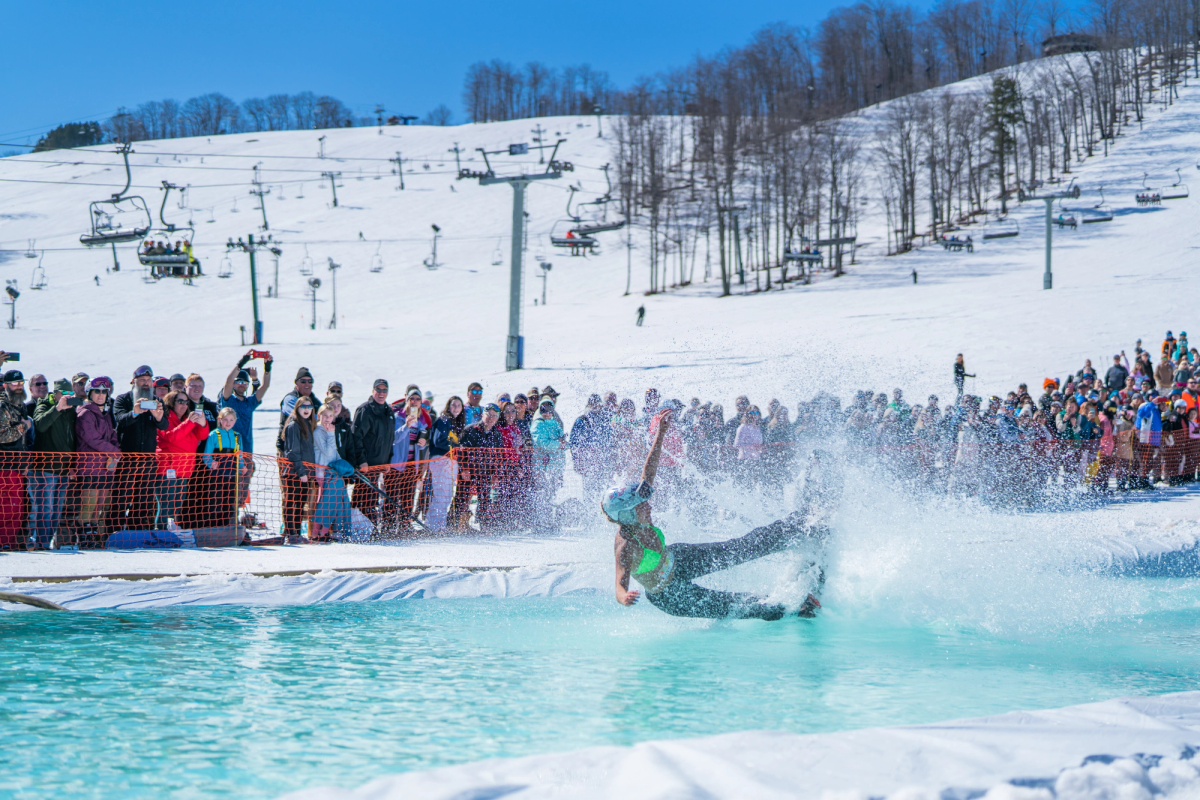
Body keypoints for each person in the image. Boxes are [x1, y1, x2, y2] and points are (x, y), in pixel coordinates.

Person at [608, 410, 836, 620]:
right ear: (627, 515)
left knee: (741, 548)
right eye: (640, 506)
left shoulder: (637, 514)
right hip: (670, 595)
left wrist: (661, 434)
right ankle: (797, 607)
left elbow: (649, 470)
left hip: (680, 559)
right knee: (738, 607)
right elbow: (620, 583)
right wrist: (624, 597)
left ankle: (797, 528)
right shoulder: (626, 546)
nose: (648, 506)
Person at [112, 365, 166, 531]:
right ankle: (112, 532)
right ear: (133, 381)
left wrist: (158, 417)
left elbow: (164, 425)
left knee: (143, 500)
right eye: (142, 380)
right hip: (127, 460)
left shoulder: (157, 402)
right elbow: (119, 420)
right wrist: (135, 413)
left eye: (148, 380)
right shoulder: (123, 399)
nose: (145, 383)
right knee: (120, 499)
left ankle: (137, 533)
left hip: (148, 460)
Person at [74, 377, 121, 548]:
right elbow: (92, 439)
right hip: (90, 466)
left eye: (104, 392)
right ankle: (83, 539)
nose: (101, 395)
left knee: (100, 506)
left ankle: (93, 536)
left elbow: (112, 435)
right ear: (89, 393)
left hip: (106, 467)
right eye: (97, 392)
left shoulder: (106, 414)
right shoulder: (85, 413)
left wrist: (115, 453)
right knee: (89, 504)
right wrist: (115, 452)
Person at [29, 379, 75, 549]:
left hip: (63, 468)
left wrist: (72, 464)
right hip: (45, 468)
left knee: (56, 511)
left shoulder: (71, 411)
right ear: (55, 394)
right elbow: (40, 425)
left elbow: (73, 439)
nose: (67, 397)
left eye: (70, 394)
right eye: (63, 393)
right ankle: (41, 543)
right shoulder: (43, 405)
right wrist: (57, 409)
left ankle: (47, 542)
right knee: (44, 509)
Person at [155, 391, 208, 529]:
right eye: (180, 401)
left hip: (184, 469)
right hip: (167, 468)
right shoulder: (164, 418)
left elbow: (201, 436)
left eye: (186, 402)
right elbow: (172, 437)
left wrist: (202, 424)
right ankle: (159, 531)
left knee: (177, 503)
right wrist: (189, 422)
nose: (184, 405)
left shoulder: (187, 419)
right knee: (165, 504)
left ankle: (171, 530)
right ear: (172, 402)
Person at [351, 379, 396, 523]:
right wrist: (362, 460)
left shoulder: (389, 412)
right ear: (373, 391)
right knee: (363, 498)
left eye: (384, 390)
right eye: (378, 390)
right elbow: (356, 437)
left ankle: (370, 528)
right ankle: (357, 527)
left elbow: (390, 439)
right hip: (366, 465)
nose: (381, 393)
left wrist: (388, 461)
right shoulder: (365, 410)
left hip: (379, 466)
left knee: (373, 499)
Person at [202, 407, 250, 531]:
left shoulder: (237, 436)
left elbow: (239, 454)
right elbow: (206, 455)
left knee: (230, 502)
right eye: (225, 419)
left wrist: (242, 466)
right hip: (216, 474)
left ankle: (227, 525)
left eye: (231, 420)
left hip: (232, 474)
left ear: (235, 421)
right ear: (220, 420)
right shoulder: (214, 435)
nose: (228, 422)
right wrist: (211, 463)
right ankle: (213, 527)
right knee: (215, 502)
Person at [459, 403, 503, 530]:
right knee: (462, 497)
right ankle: (458, 525)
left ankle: (484, 526)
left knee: (484, 499)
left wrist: (495, 473)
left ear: (497, 418)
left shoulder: (497, 434)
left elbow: (497, 456)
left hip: (485, 472)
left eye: (494, 416)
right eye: (488, 414)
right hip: (469, 470)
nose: (491, 418)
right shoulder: (470, 429)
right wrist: (464, 468)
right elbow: (461, 451)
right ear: (483, 414)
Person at [0, 370, 31, 550]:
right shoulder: (3, 406)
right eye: (14, 383)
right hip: (3, 465)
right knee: (6, 509)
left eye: (20, 383)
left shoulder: (20, 405)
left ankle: (9, 542)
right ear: (5, 385)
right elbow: (2, 436)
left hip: (16, 465)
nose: (19, 387)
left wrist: (24, 462)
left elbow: (23, 441)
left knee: (16, 509)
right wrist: (22, 426)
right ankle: (3, 542)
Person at [219, 351, 273, 453]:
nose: (241, 384)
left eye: (244, 382)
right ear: (234, 385)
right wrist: (243, 361)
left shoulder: (250, 402)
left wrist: (267, 367)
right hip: (229, 449)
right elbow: (228, 381)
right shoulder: (228, 400)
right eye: (238, 382)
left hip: (246, 449)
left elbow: (265, 386)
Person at [311, 406, 352, 541]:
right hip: (324, 473)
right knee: (327, 504)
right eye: (325, 416)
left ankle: (324, 533)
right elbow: (328, 454)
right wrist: (330, 435)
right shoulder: (319, 431)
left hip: (333, 472)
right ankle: (317, 534)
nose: (327, 419)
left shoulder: (331, 430)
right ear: (319, 416)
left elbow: (335, 453)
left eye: (330, 416)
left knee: (333, 503)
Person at [427, 396, 465, 532]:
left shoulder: (453, 423)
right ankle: (435, 526)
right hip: (441, 459)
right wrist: (456, 445)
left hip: (448, 460)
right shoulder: (444, 420)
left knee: (445, 494)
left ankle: (434, 524)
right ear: (448, 406)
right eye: (453, 405)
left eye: (458, 405)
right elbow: (439, 441)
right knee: (442, 494)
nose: (455, 408)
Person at [281, 396, 317, 542]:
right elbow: (292, 452)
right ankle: (291, 533)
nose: (306, 409)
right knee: (292, 502)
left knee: (301, 503)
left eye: (309, 407)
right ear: (297, 408)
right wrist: (301, 472)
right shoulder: (294, 425)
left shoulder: (308, 424)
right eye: (303, 406)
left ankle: (296, 532)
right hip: (295, 473)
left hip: (305, 473)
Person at [530, 398, 566, 532]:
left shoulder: (555, 424)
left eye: (550, 410)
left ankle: (548, 520)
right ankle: (539, 521)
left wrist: (563, 444)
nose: (547, 413)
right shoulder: (537, 424)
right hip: (542, 466)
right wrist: (558, 444)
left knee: (551, 494)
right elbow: (542, 443)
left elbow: (563, 442)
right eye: (543, 410)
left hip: (555, 466)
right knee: (542, 493)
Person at [570, 394, 615, 501]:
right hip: (588, 464)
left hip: (604, 463)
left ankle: (603, 512)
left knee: (605, 492)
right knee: (590, 492)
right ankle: (590, 511)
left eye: (597, 404)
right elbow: (574, 443)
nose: (596, 406)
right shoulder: (582, 420)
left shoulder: (605, 420)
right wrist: (577, 461)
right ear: (589, 405)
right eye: (593, 404)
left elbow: (610, 440)